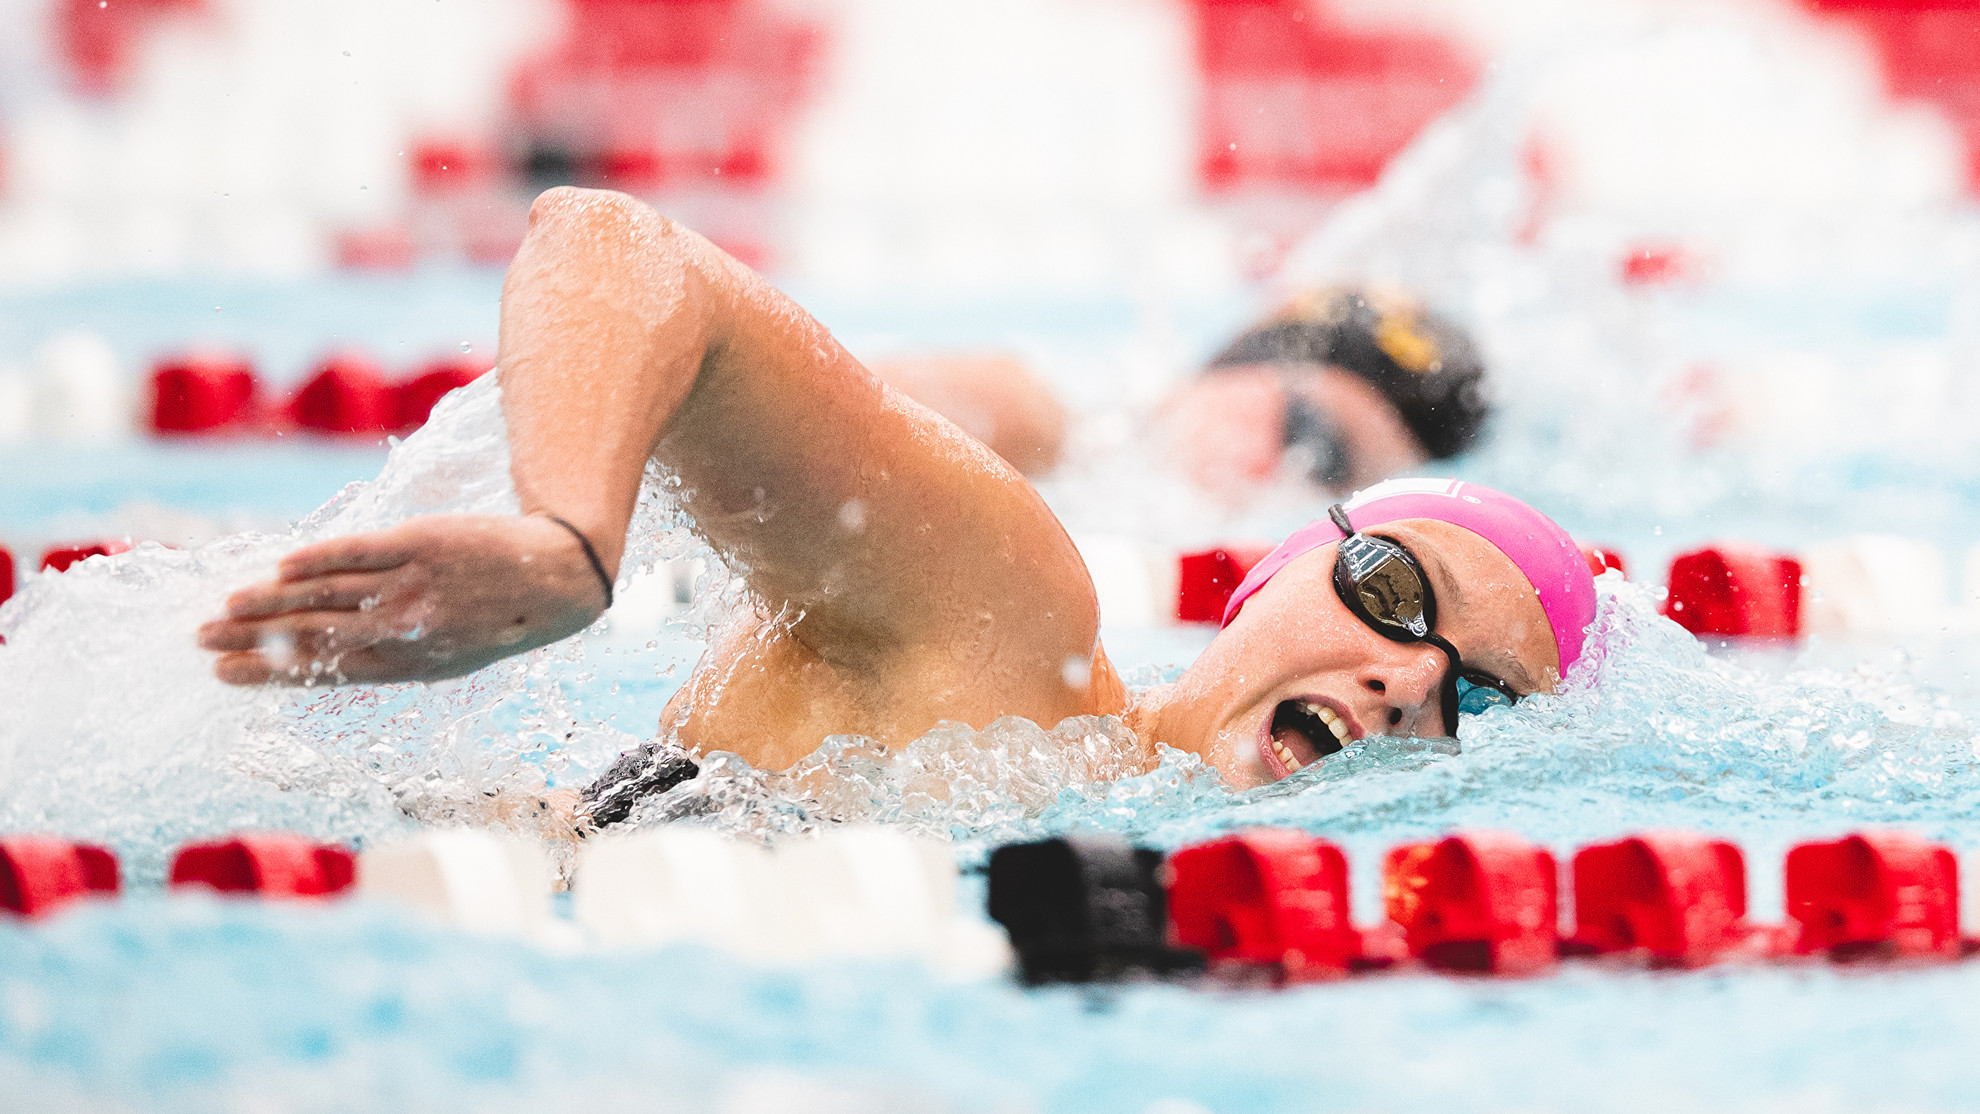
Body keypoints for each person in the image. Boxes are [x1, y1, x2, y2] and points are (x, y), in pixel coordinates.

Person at [195, 188, 1590, 821]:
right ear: (1275, 572)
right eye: (1401, 593)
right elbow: (616, 246)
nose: (1416, 676)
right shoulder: (1004, 610)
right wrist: (568, 537)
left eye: (1486, 698)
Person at [874, 286, 1491, 499]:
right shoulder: (1014, 413)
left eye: (1336, 489)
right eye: (1313, 440)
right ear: (1239, 365)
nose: (1287, 477)